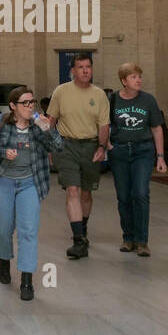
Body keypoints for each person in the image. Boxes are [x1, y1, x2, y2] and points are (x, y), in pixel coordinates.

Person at [0, 87, 64, 301]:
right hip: (2, 181)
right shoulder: (0, 122)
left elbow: (58, 146)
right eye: (25, 103)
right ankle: (4, 260)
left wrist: (48, 129)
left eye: (32, 102)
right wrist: (2, 152)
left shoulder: (38, 127)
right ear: (13, 106)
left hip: (30, 183)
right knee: (3, 228)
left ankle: (27, 279)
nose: (30, 107)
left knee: (28, 231)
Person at [46, 53, 109, 261]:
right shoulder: (61, 92)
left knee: (86, 194)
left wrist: (101, 147)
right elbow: (51, 120)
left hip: (91, 145)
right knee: (72, 190)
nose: (85, 70)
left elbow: (103, 125)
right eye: (80, 67)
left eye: (88, 66)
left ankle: (83, 229)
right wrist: (48, 147)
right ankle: (78, 240)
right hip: (67, 145)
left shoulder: (99, 95)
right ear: (72, 70)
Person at [108, 63, 166, 257]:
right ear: (124, 81)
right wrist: (106, 144)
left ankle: (142, 241)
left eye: (139, 76)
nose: (138, 80)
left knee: (140, 193)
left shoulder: (148, 100)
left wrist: (160, 156)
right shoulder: (113, 100)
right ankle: (128, 238)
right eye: (133, 77)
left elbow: (156, 128)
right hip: (120, 152)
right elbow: (104, 124)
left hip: (143, 151)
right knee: (123, 196)